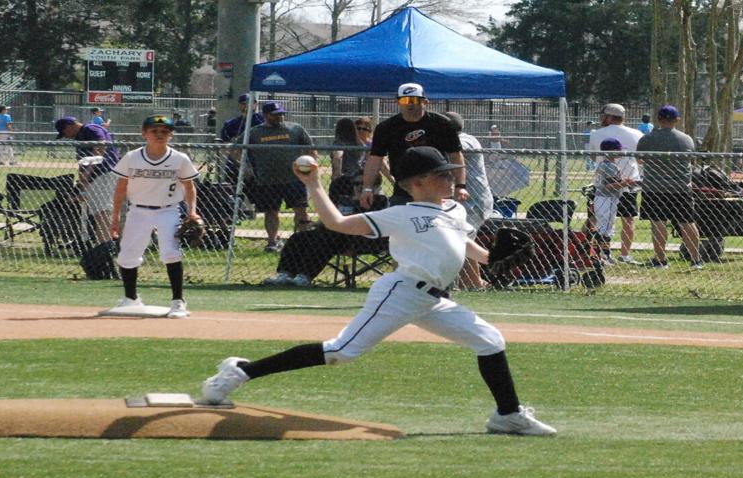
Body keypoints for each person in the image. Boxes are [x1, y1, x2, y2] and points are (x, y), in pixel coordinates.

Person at [197, 146, 556, 437]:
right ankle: (240, 371)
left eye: (450, 173)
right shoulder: (399, 213)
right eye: (441, 175)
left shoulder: (454, 210)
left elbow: (466, 248)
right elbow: (336, 223)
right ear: (415, 184)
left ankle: (507, 415)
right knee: (341, 352)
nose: (450, 179)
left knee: (490, 340)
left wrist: (495, 258)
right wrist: (313, 184)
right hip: (401, 292)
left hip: (435, 299)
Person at [261, 116, 385, 288]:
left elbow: (372, 225)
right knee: (300, 237)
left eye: (361, 184)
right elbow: (330, 211)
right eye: (355, 183)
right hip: (335, 232)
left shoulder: (378, 200)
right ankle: (285, 273)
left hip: (361, 238)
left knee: (324, 239)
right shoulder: (341, 188)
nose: (357, 186)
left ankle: (304, 276)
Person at [103, 115, 201, 318]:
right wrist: (115, 218)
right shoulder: (132, 157)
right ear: (144, 134)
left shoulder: (179, 158)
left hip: (168, 210)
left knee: (170, 252)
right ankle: (131, 299)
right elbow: (121, 189)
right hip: (138, 210)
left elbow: (189, 187)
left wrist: (192, 210)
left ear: (171, 135)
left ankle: (178, 302)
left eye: (164, 131)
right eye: (154, 131)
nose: (159, 135)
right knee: (128, 255)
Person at [359, 83, 466, 211]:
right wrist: (367, 188)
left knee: (439, 226)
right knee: (401, 228)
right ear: (397, 102)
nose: (410, 104)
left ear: (425, 101)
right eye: (404, 100)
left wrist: (460, 185)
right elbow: (375, 159)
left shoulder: (441, 124)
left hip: (437, 189)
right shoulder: (386, 128)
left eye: (414, 100)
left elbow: (456, 155)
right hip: (404, 190)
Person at [634, 104, 702, 269]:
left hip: (654, 187)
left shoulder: (647, 138)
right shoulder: (686, 139)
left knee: (658, 221)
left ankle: (661, 259)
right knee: (687, 221)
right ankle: (696, 259)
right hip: (680, 187)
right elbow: (690, 160)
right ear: (677, 120)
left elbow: (639, 159)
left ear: (659, 119)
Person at [243, 100, 316, 252]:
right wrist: (247, 167)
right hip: (267, 180)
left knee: (301, 209)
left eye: (281, 114)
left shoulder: (295, 129)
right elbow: (236, 150)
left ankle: (305, 241)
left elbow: (311, 150)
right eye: (275, 115)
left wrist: (309, 167)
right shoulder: (254, 132)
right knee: (271, 211)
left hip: (294, 178)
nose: (280, 117)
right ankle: (272, 242)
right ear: (265, 115)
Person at [586, 103, 642, 264]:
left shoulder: (597, 133)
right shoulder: (637, 133)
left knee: (596, 219)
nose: (601, 118)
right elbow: (639, 158)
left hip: (603, 184)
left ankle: (595, 250)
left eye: (603, 116)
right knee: (628, 219)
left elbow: (593, 157)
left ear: (609, 117)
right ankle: (624, 254)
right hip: (628, 181)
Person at [443, 112, 493, 290]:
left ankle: (475, 283)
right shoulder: (453, 140)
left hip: (474, 201)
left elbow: (452, 151)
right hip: (462, 201)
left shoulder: (465, 140)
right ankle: (471, 282)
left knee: (462, 238)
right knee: (460, 238)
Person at [218, 94, 265, 184]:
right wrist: (243, 165)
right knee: (232, 192)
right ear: (240, 105)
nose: (247, 105)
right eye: (244, 103)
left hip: (259, 164)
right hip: (236, 164)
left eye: (251, 103)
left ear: (256, 104)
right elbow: (225, 146)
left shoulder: (262, 121)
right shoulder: (232, 124)